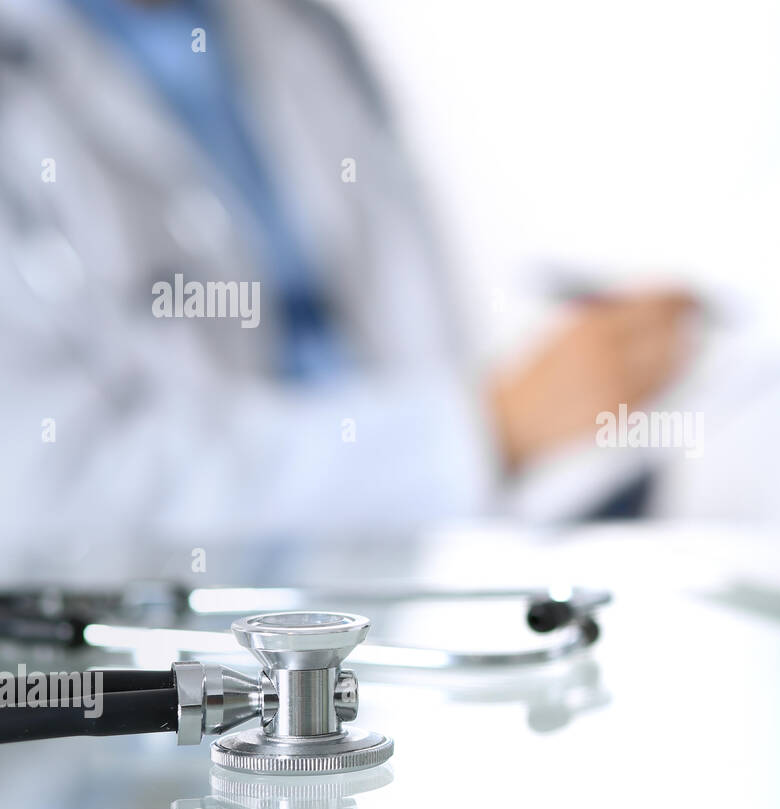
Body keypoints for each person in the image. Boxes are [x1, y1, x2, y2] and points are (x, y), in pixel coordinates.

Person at [0, 0, 692, 548]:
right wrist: (479, 431)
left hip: (408, 595)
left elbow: (410, 331)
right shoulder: (21, 76)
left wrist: (557, 395)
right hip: (170, 658)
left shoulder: (305, 32)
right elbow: (59, 488)